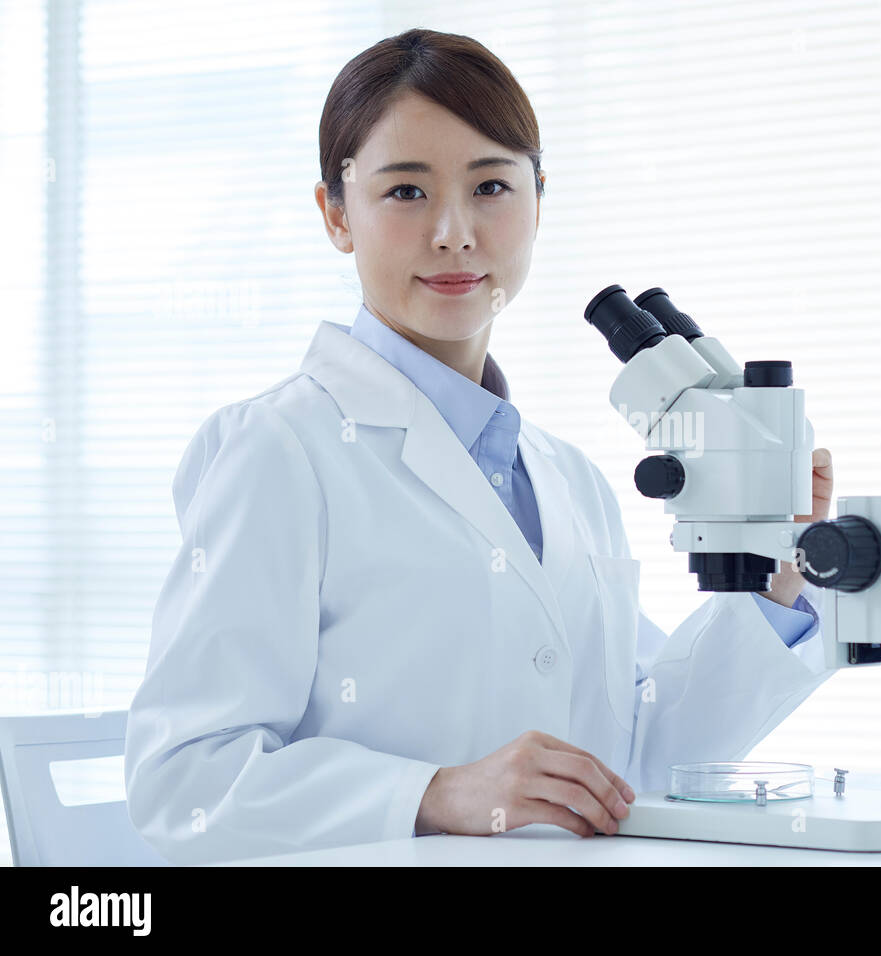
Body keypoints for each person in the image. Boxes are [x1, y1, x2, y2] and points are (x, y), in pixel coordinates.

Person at [124, 28, 836, 866]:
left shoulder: (566, 477)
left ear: (540, 199)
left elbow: (629, 763)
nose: (456, 233)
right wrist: (433, 793)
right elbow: (182, 782)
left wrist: (777, 581)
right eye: (405, 193)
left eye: (492, 185)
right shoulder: (277, 450)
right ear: (335, 214)